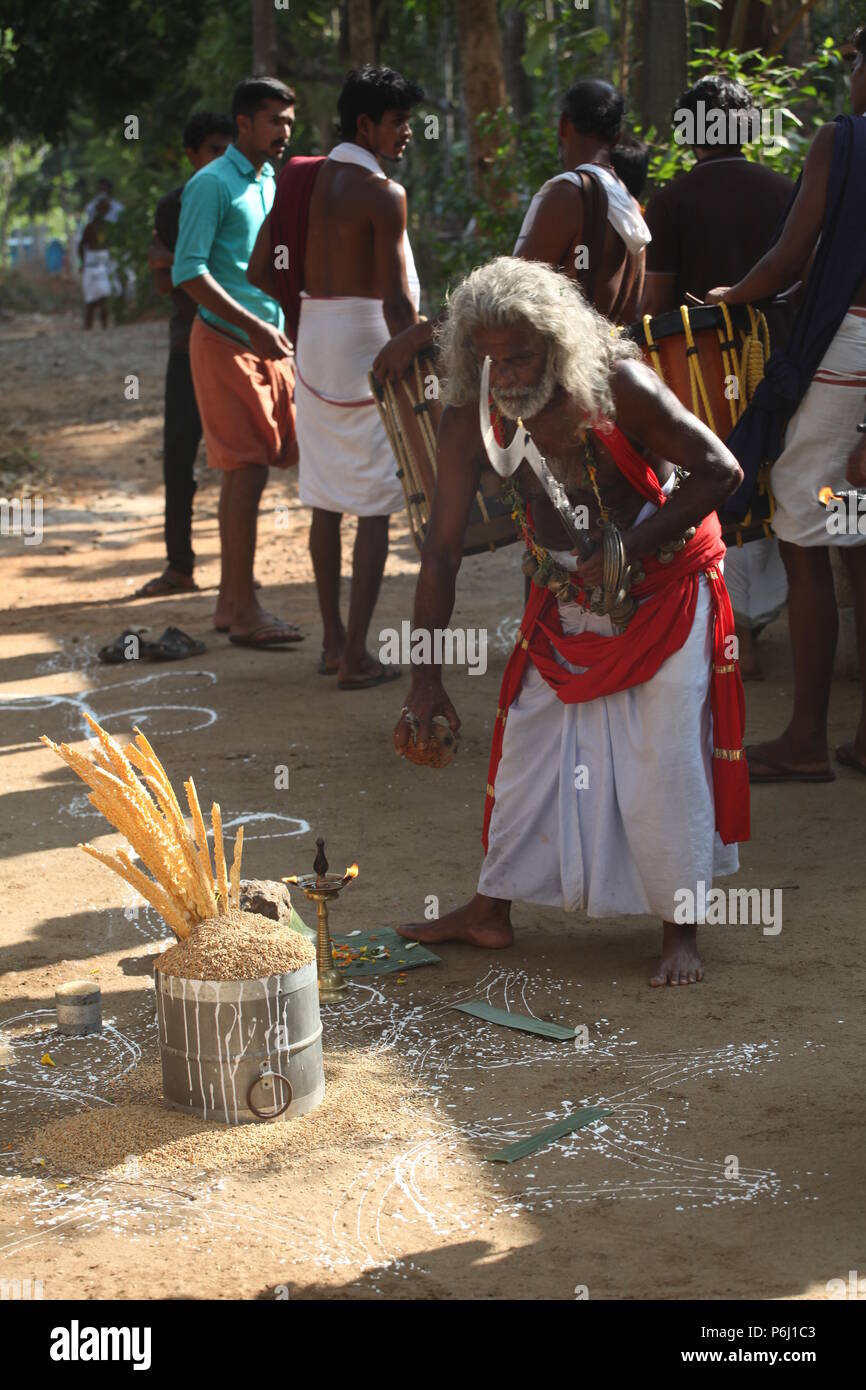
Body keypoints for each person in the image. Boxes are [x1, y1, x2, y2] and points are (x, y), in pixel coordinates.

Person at [392, 257, 748, 986]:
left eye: (520, 356)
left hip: (667, 584)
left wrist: (627, 550)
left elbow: (723, 471)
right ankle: (491, 908)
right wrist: (424, 679)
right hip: (564, 593)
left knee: (665, 757)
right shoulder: (470, 414)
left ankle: (680, 929)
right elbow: (441, 551)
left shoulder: (621, 387)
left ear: (556, 344)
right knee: (528, 745)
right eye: (489, 359)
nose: (505, 375)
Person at [706, 27, 866, 781]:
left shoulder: (843, 140)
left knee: (804, 542)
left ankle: (805, 740)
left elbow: (790, 255)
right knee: (857, 541)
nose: (853, 74)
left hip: (843, 356)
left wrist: (733, 294)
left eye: (858, 61)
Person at [255, 65, 424, 687]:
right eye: (398, 122)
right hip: (368, 341)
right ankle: (356, 658)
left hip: (315, 338)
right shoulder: (384, 193)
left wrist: (305, 310)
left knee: (326, 498)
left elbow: (259, 268)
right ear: (365, 125)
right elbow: (396, 302)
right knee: (375, 503)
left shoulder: (300, 178)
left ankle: (332, 643)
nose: (407, 132)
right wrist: (420, 353)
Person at [643, 74, 795, 679]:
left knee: (714, 485)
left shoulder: (671, 200)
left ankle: (733, 634)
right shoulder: (789, 190)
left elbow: (654, 309)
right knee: (774, 485)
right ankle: (752, 627)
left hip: (699, 376)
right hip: (782, 368)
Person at [172, 75, 303, 649]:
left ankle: (231, 603)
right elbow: (189, 272)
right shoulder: (210, 183)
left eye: (290, 121)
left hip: (267, 344)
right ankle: (247, 612)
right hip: (228, 342)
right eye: (274, 120)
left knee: (248, 472)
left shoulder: (273, 179)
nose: (284, 131)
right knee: (246, 470)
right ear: (243, 123)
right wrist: (254, 326)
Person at [137, 112, 234, 599]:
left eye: (227, 149)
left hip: (237, 343)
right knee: (179, 456)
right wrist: (185, 268)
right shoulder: (174, 205)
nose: (222, 158)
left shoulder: (244, 194)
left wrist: (177, 264)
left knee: (239, 461)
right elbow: (165, 279)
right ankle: (180, 565)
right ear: (192, 154)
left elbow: (176, 269)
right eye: (214, 150)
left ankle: (237, 576)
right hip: (188, 343)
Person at [512, 78, 649, 325]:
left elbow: (514, 289)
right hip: (612, 345)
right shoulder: (630, 205)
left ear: (564, 124)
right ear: (616, 138)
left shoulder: (569, 194)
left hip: (567, 347)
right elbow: (633, 313)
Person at [79, 197, 114, 329]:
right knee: (91, 296)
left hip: (103, 262)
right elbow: (81, 245)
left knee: (104, 294)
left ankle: (104, 325)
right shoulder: (90, 227)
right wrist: (83, 263)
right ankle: (88, 326)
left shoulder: (108, 227)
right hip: (91, 263)